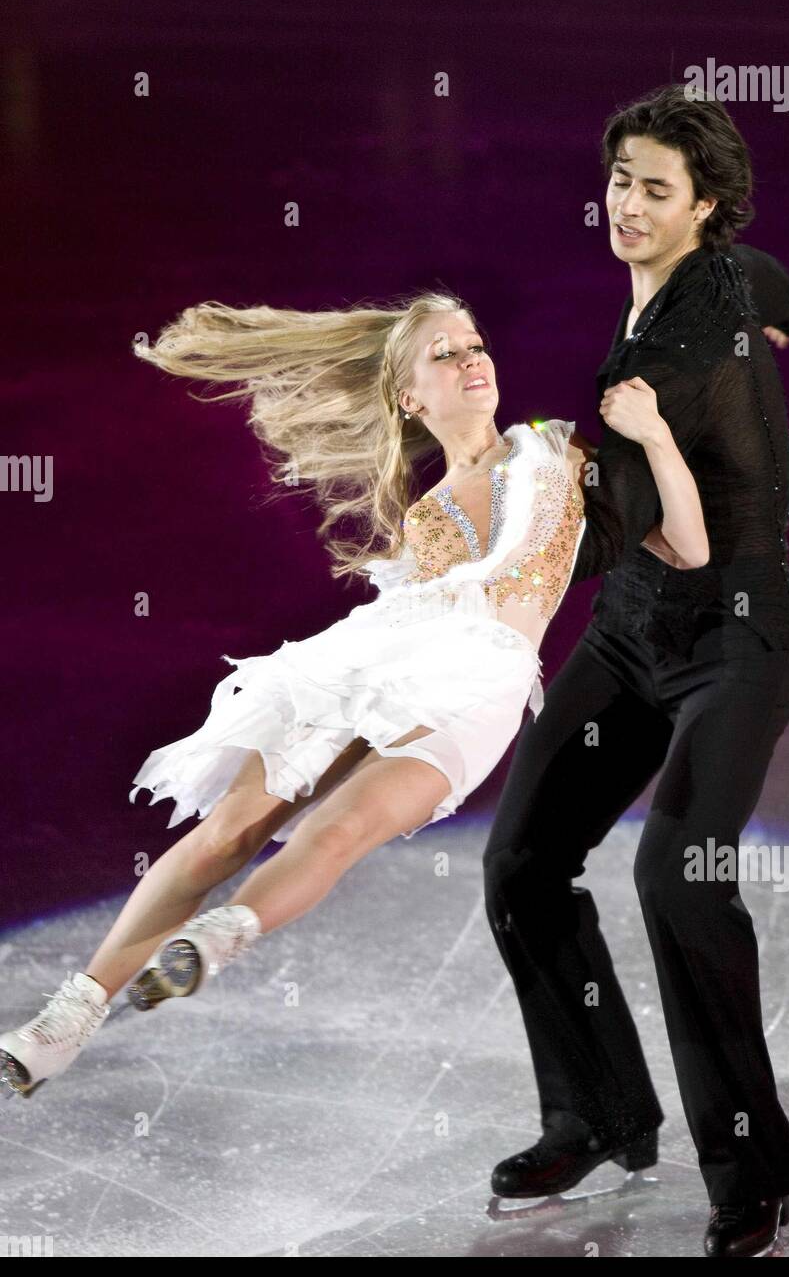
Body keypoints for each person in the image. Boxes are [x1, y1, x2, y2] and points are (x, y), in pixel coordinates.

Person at [0, 291, 709, 1113]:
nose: (471, 359)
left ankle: (217, 938)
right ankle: (71, 1017)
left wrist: (655, 436)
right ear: (411, 398)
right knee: (225, 833)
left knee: (341, 829)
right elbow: (409, 609)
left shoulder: (557, 451)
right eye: (445, 354)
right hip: (381, 654)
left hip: (478, 685)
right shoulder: (428, 514)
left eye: (474, 344)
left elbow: (688, 548)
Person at [482, 84, 789, 1259]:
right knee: (523, 863)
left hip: (736, 637)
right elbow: (780, 286)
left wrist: (526, 524)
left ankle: (751, 1165)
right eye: (621, 177)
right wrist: (768, 322)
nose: (626, 203)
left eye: (654, 190)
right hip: (634, 634)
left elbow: (672, 533)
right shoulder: (730, 275)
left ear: (702, 207)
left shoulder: (663, 368)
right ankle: (598, 1112)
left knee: (680, 878)